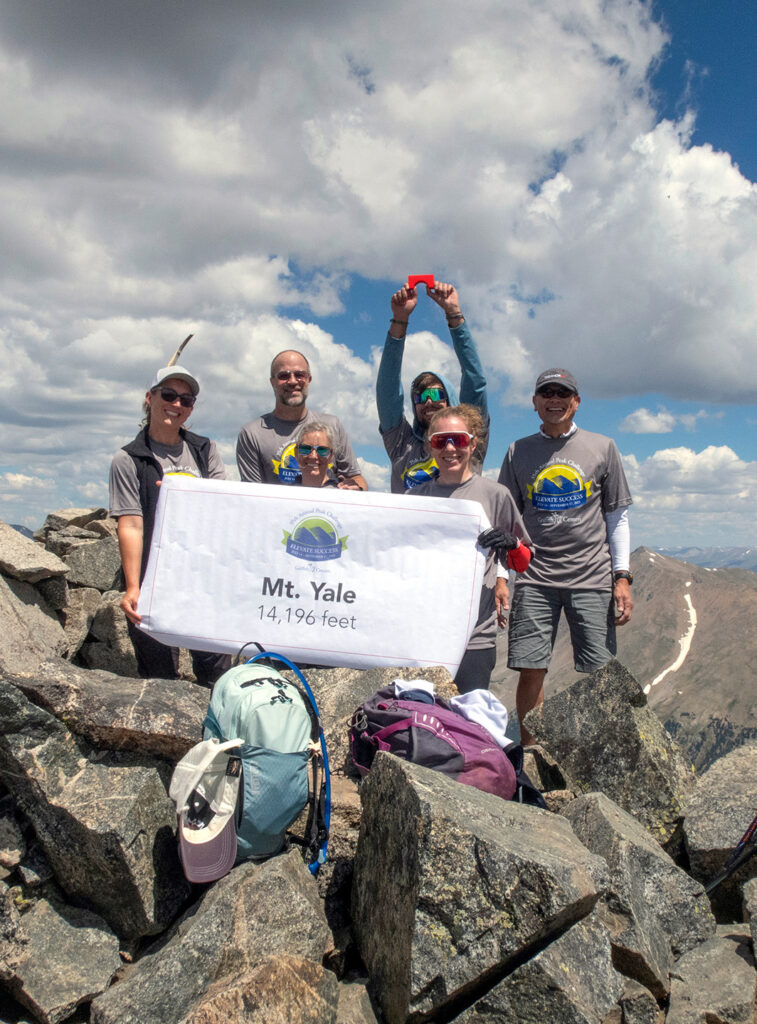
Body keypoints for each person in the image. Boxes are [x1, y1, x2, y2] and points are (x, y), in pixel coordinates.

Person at [498, 368, 634, 743]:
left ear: (576, 402)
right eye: (547, 393)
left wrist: (622, 577)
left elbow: (616, 515)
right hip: (534, 578)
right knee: (531, 669)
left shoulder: (603, 447)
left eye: (563, 393)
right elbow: (506, 524)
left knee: (601, 673)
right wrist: (502, 576)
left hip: (591, 577)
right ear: (535, 403)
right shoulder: (517, 451)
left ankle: (605, 754)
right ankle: (532, 756)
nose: (554, 399)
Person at [109, 365, 231, 684]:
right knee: (157, 679)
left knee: (217, 676)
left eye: (186, 400)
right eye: (168, 395)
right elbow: (131, 523)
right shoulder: (129, 460)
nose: (176, 405)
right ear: (149, 398)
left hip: (203, 582)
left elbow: (224, 504)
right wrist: (134, 587)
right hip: (153, 583)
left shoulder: (206, 451)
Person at [411, 404, 532, 693]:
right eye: (441, 441)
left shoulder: (496, 495)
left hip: (475, 638)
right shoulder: (415, 497)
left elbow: (523, 562)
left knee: (469, 724)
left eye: (460, 439)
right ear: (430, 446)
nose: (450, 448)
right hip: (423, 634)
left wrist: (512, 544)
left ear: (473, 443)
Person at [376, 281, 489, 493]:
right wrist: (400, 320)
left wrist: (453, 313)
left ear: (450, 399)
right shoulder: (402, 444)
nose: (428, 401)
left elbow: (475, 381)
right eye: (419, 397)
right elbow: (387, 389)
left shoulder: (469, 437)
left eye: (435, 394)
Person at [236, 350, 367, 490]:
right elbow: (252, 494)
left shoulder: (333, 425)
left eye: (299, 375)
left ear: (309, 379)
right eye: (284, 376)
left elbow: (357, 479)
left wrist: (357, 489)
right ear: (272, 382)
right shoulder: (252, 433)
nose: (292, 381)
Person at [295, 422, 339, 488]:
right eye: (306, 448)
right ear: (296, 453)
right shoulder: (283, 494)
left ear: (331, 455)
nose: (313, 456)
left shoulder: (343, 495)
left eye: (322, 450)